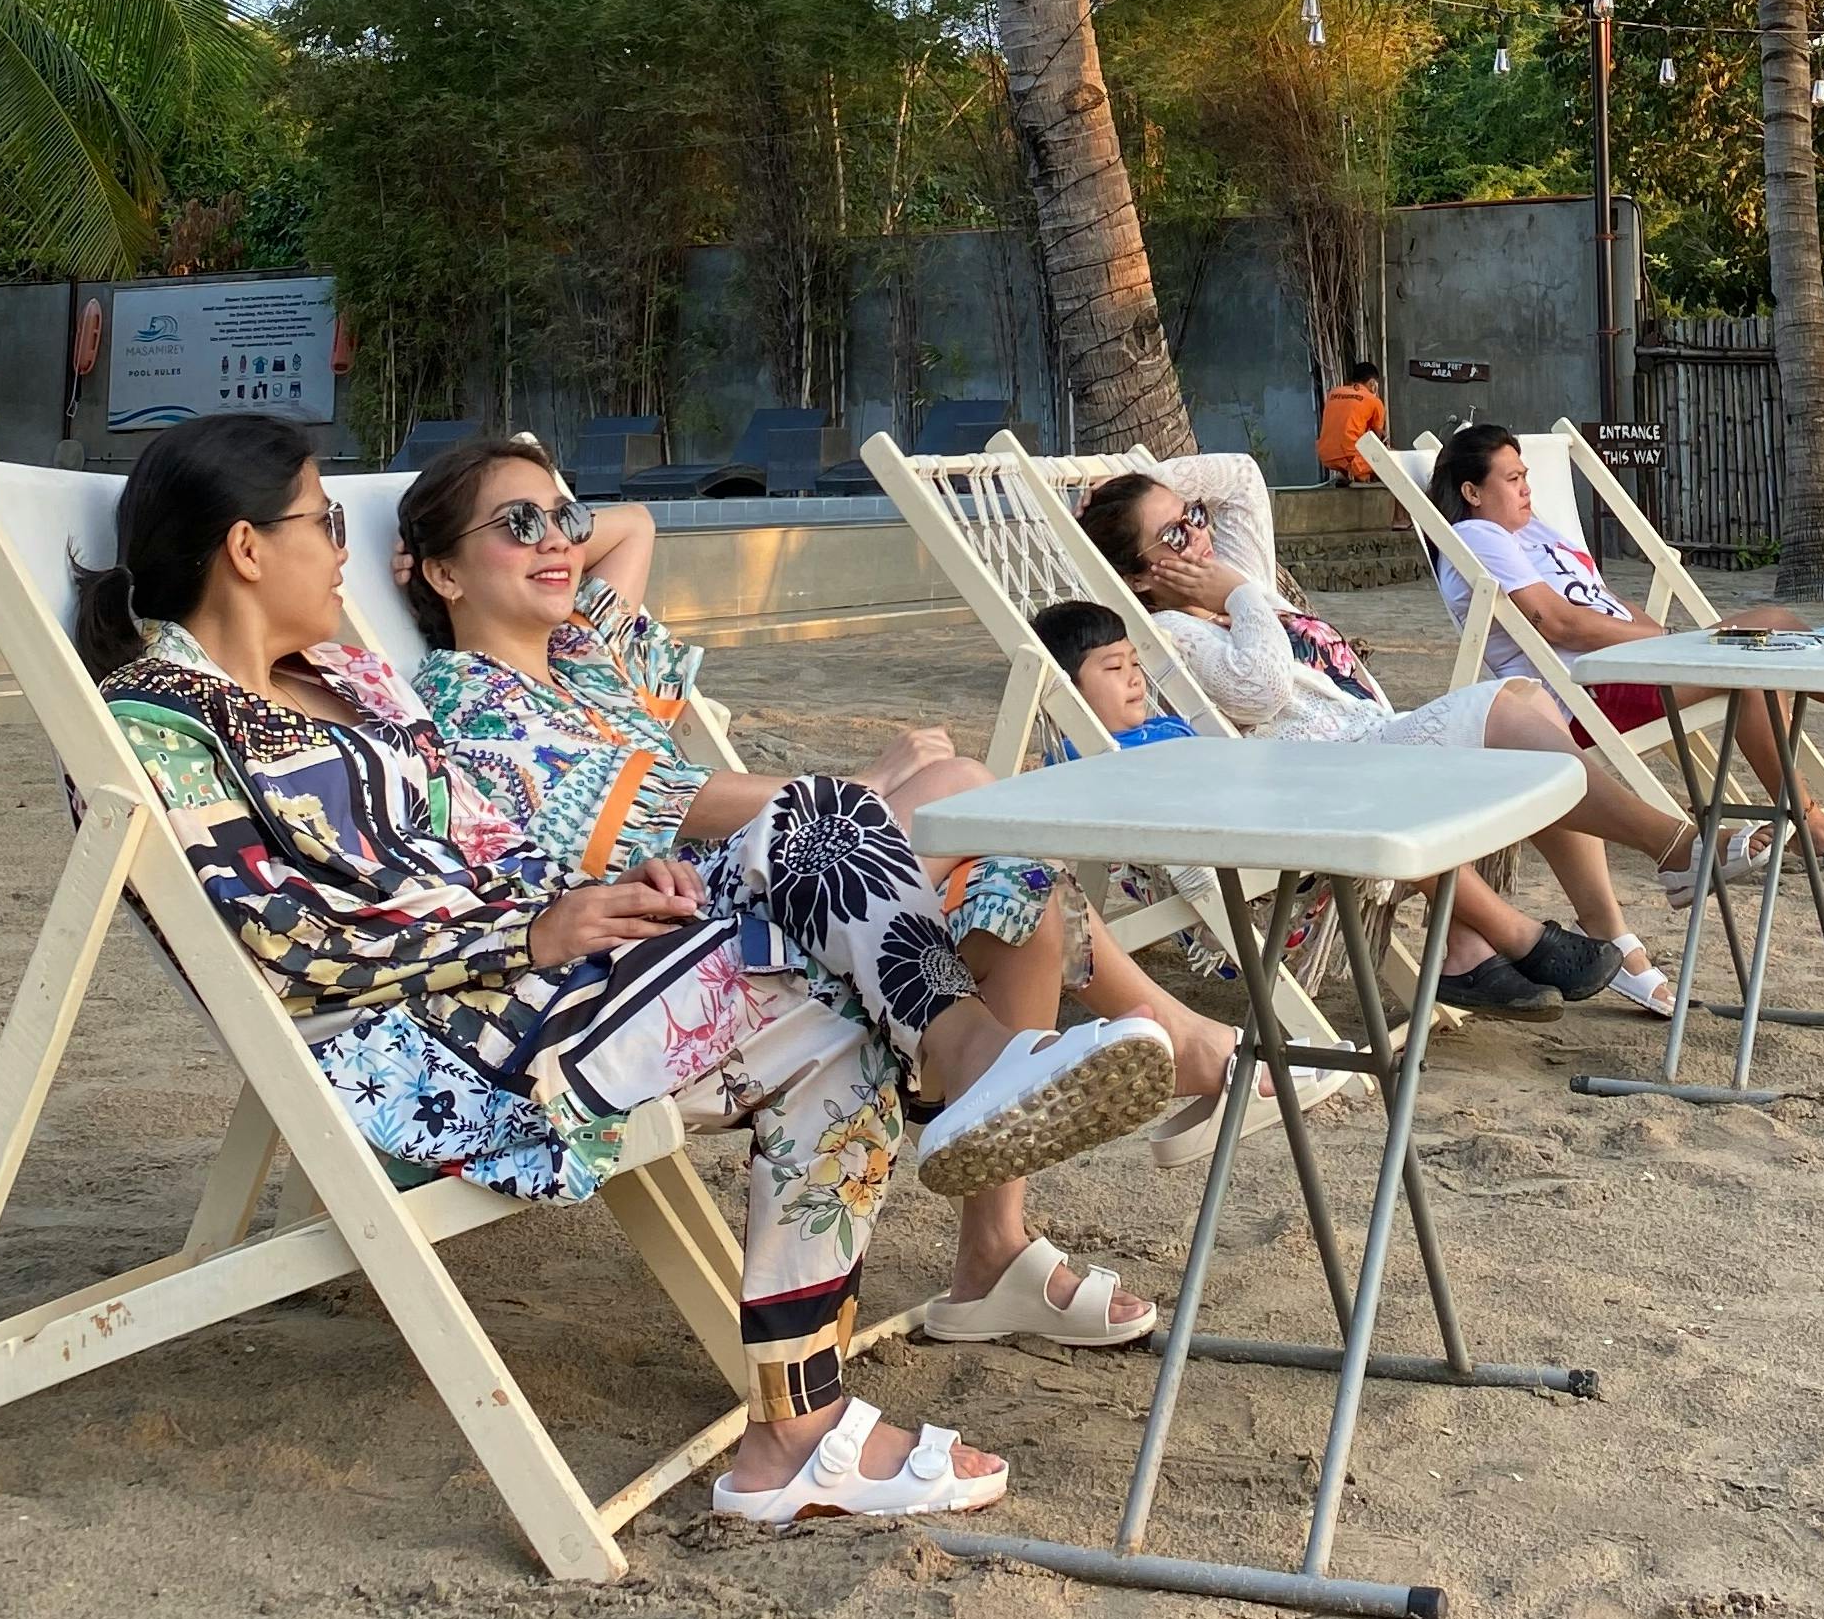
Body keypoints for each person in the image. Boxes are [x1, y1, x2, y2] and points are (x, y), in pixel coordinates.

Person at [75, 412, 1184, 1530]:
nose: (339, 551)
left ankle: (808, 1408)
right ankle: (954, 1108)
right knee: (829, 975)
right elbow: (283, 942)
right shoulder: (158, 726)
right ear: (246, 548)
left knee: (816, 841)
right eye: (322, 524)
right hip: (438, 1044)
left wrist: (599, 893)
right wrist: (530, 933)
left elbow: (481, 838)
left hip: (545, 974)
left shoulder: (349, 679)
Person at [396, 430, 1256, 1353]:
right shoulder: (465, 703)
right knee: (959, 793)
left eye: (563, 518)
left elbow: (635, 524)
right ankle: (1110, 1058)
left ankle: (995, 1252)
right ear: (444, 575)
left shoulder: (582, 652)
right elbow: (676, 803)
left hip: (764, 890)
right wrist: (860, 792)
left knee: (1012, 870)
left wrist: (524, 536)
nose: (557, 542)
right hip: (666, 947)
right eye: (518, 525)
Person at [1067, 469, 1756, 1020]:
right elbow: (1262, 688)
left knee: (1532, 706)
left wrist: (1125, 479)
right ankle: (1673, 846)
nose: (1198, 536)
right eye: (1173, 536)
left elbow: (1243, 478)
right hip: (1337, 777)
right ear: (1139, 577)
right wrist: (1242, 594)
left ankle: (1585, 928)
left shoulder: (1229, 576)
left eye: (1193, 516)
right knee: (1502, 709)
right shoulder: (1175, 635)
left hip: (1375, 742)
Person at [1424, 420, 1824, 845]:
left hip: (1629, 664)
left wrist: (1668, 639)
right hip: (1585, 692)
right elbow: (1557, 622)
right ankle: (1815, 826)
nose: (1527, 488)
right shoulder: (1477, 535)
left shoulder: (1532, 531)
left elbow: (1604, 601)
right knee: (1749, 667)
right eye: (1513, 479)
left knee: (1774, 623)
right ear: (1472, 492)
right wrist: (1664, 647)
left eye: (1526, 475)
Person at [1316, 358, 1388, 487]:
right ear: (1373, 383)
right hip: (1351, 457)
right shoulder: (1374, 401)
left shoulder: (1333, 393)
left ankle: (1343, 475)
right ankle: (1362, 478)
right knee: (1388, 456)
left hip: (1326, 454)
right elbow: (1376, 439)